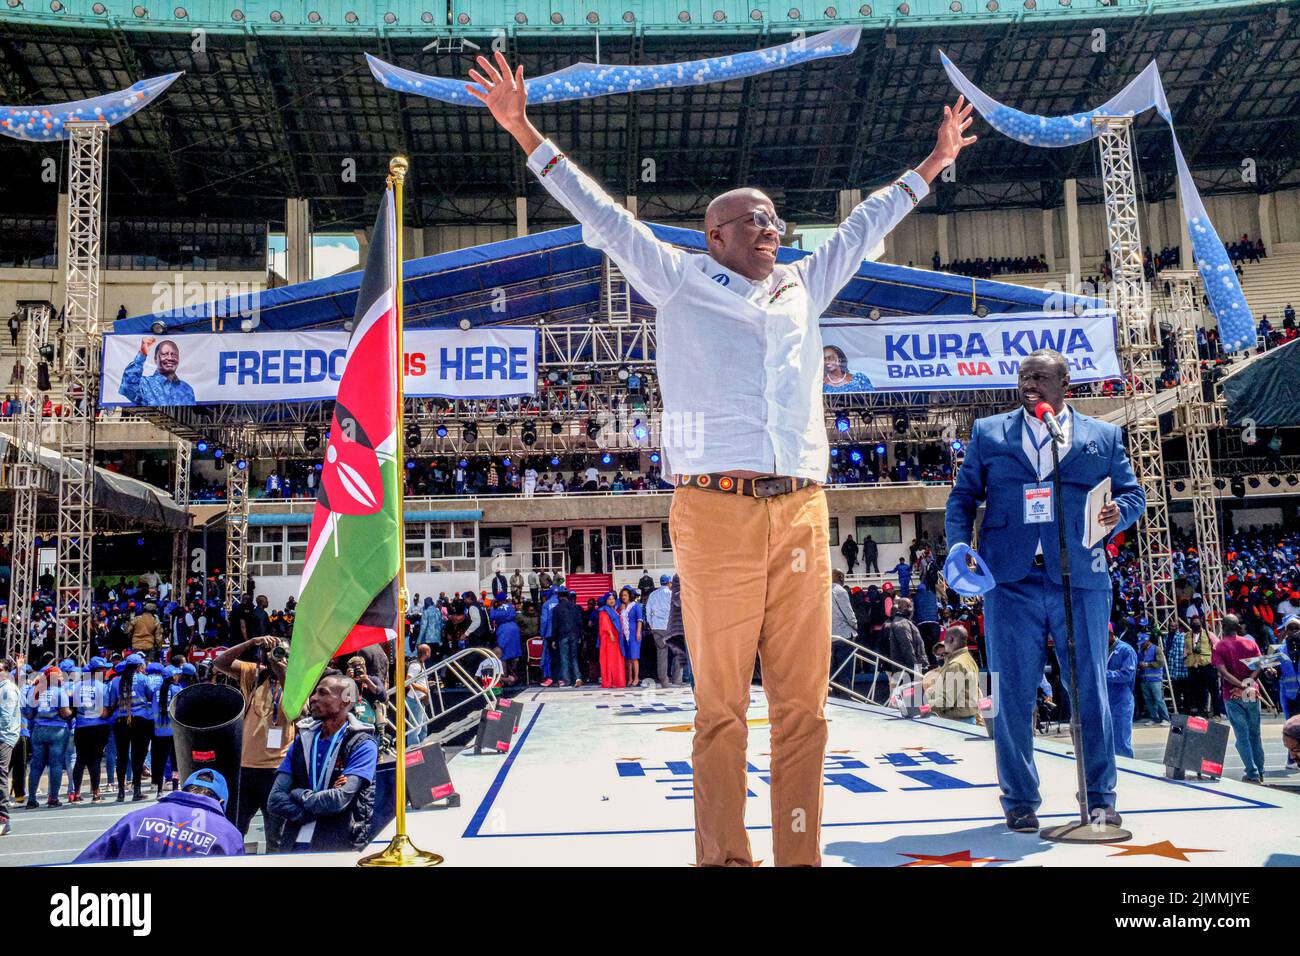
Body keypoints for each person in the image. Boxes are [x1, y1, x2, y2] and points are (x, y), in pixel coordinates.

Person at [466, 49, 974, 866]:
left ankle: (799, 854)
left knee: (805, 705)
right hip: (714, 508)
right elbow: (600, 215)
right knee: (722, 708)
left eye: (776, 218)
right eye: (755, 220)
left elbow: (868, 221)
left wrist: (936, 161)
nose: (773, 227)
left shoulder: (809, 283)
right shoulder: (676, 278)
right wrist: (522, 127)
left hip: (804, 508)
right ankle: (725, 859)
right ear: (715, 236)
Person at [944, 348, 1145, 833]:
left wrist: (1121, 513)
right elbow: (962, 497)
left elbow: (1133, 494)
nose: (1028, 384)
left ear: (1064, 383)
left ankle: (1100, 798)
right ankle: (1018, 799)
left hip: (1081, 579)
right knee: (1012, 695)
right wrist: (957, 546)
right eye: (1023, 377)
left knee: (1091, 693)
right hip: (1010, 582)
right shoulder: (989, 432)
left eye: (1039, 377)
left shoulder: (1103, 436)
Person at [268, 672, 378, 852]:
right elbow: (275, 800)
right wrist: (311, 810)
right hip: (293, 845)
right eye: (314, 693)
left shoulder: (362, 744)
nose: (313, 698)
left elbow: (338, 800)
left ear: (345, 701)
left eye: (323, 693)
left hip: (337, 844)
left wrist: (298, 794)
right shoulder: (302, 740)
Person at [74, 769, 244, 862]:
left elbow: (88, 860)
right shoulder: (229, 836)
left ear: (183, 791)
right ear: (221, 803)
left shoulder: (136, 819)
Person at [1212, 614, 1269, 783]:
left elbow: (1223, 672)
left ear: (1222, 627)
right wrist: (1247, 683)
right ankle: (1260, 771)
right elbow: (1260, 666)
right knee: (1255, 734)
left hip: (1232, 694)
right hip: (1251, 691)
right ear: (1238, 627)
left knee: (1242, 736)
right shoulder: (1250, 643)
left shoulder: (1219, 646)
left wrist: (1239, 685)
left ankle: (1252, 773)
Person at [107, 654, 155, 802]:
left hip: (121, 720)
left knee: (121, 756)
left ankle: (121, 792)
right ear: (139, 666)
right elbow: (151, 695)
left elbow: (111, 702)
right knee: (137, 756)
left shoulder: (115, 682)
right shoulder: (144, 679)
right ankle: (137, 791)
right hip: (140, 719)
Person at [24, 665, 72, 808]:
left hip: (38, 730)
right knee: (55, 764)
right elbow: (64, 713)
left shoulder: (35, 691)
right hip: (57, 730)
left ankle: (31, 799)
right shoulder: (60, 692)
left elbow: (29, 714)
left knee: (36, 765)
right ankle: (53, 799)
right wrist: (72, 713)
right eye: (60, 675)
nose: (63, 677)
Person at [69, 657, 112, 803]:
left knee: (80, 759)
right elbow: (105, 713)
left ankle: (77, 793)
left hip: (81, 727)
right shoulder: (104, 687)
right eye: (104, 669)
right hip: (98, 727)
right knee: (95, 760)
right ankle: (95, 793)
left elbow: (73, 708)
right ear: (98, 671)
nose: (106, 671)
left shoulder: (77, 686)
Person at [118, 336, 197, 406]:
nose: (170, 358)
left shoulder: (186, 389)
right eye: (164, 354)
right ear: (156, 359)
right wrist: (142, 354)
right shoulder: (144, 384)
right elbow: (127, 387)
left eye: (174, 354)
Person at [927, 625, 980, 723]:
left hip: (957, 721)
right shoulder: (968, 658)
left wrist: (924, 705)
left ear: (950, 639)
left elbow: (946, 701)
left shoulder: (955, 665)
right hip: (965, 718)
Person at [646, 574, 682, 688]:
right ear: (669, 583)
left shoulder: (652, 594)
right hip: (671, 627)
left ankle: (664, 682)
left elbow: (648, 611)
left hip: (657, 627)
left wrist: (651, 625)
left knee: (661, 654)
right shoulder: (672, 594)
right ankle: (677, 680)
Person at [1106, 629, 1137, 758]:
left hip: (1121, 701)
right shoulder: (1101, 651)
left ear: (1111, 634)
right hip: (1105, 700)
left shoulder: (1126, 651)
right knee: (1106, 743)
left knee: (1121, 742)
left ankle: (1128, 772)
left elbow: (1126, 675)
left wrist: (1103, 674)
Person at [1183, 615, 1216, 718]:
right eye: (1193, 623)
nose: (1195, 625)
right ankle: (1200, 712)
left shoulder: (1208, 634)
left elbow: (1217, 647)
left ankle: (1217, 713)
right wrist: (1186, 659)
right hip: (1193, 666)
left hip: (1207, 665)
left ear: (1201, 623)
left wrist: (1215, 661)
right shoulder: (1187, 635)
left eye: (1197, 623)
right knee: (1197, 690)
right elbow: (1185, 650)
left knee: (1213, 690)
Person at [0, 659, 19, 834]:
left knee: (0, 774)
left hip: (4, 737)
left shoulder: (7, 689)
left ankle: (3, 818)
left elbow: (5, 718)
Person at [552, 589, 584, 687]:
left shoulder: (556, 608)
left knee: (564, 658)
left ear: (559, 596)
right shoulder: (575, 607)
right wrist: (580, 635)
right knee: (574, 657)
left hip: (562, 635)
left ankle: (567, 680)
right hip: (574, 634)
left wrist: (553, 639)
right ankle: (578, 677)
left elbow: (555, 625)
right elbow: (579, 622)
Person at [1137, 633, 1170, 725]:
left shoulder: (1156, 649)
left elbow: (1160, 663)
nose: (1141, 645)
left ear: (1147, 641)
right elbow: (1138, 662)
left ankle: (1166, 719)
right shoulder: (1141, 651)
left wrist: (1147, 664)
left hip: (1155, 680)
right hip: (1144, 679)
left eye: (1142, 643)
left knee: (1158, 699)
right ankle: (1154, 718)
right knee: (1148, 700)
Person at [597, 592, 626, 689]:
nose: (611, 600)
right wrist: (611, 634)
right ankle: (610, 681)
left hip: (616, 639)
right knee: (610, 660)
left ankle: (617, 681)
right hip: (609, 639)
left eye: (613, 598)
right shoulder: (603, 611)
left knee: (617, 660)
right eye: (609, 599)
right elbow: (605, 624)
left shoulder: (615, 610)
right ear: (606, 601)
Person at [619, 586, 645, 688]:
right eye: (622, 595)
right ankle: (629, 678)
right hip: (625, 635)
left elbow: (639, 620)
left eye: (625, 595)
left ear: (630, 595)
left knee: (634, 657)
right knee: (628, 658)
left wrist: (638, 632)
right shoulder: (622, 607)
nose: (623, 597)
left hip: (634, 634)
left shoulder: (636, 606)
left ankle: (636, 678)